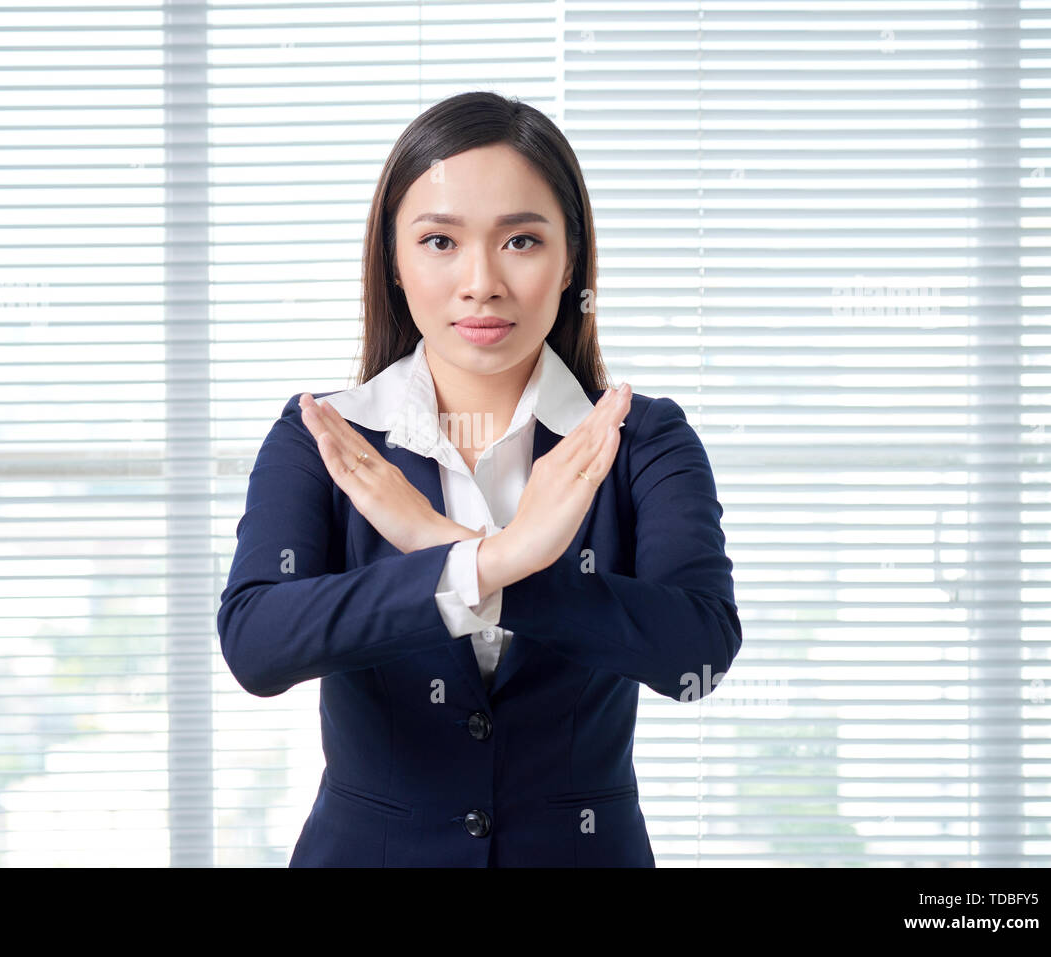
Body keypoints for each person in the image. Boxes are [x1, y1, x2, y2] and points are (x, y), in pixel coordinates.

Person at [218, 91, 742, 867]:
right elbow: (258, 644)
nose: (481, 282)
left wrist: (442, 550)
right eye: (438, 241)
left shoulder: (641, 439)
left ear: (572, 262)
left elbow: (695, 651)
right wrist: (488, 561)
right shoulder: (325, 437)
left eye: (522, 241)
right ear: (394, 262)